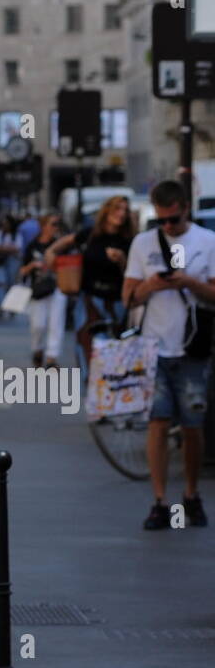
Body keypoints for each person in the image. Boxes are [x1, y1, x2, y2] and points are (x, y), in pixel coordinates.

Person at [122, 180, 215, 529]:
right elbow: (127, 298)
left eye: (173, 220)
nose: (167, 227)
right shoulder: (142, 244)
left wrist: (190, 282)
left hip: (193, 348)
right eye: (160, 220)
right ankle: (160, 501)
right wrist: (151, 285)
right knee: (157, 423)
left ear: (185, 209)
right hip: (153, 347)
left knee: (193, 427)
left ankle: (191, 494)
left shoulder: (208, 242)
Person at [75, 195, 136, 368]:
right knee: (88, 349)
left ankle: (108, 392)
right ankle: (90, 391)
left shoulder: (130, 240)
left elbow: (132, 275)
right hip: (89, 300)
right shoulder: (90, 234)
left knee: (114, 352)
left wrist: (122, 260)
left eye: (125, 209)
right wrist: (50, 257)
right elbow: (61, 246)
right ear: (107, 210)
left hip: (116, 302)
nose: (121, 213)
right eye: (118, 208)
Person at [19, 211, 77, 368]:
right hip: (38, 289)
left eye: (58, 224)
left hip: (58, 287)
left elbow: (69, 263)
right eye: (53, 224)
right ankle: (37, 349)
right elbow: (22, 270)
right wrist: (33, 265)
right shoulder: (33, 246)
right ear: (43, 226)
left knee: (56, 323)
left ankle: (52, 357)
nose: (55, 227)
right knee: (38, 325)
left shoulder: (60, 246)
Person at [0, 216, 22, 321]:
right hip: (1, 262)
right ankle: (1, 306)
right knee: (1, 283)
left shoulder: (16, 235)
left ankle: (11, 307)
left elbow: (17, 248)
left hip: (13, 261)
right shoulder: (0, 234)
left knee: (11, 284)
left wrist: (4, 248)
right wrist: (8, 249)